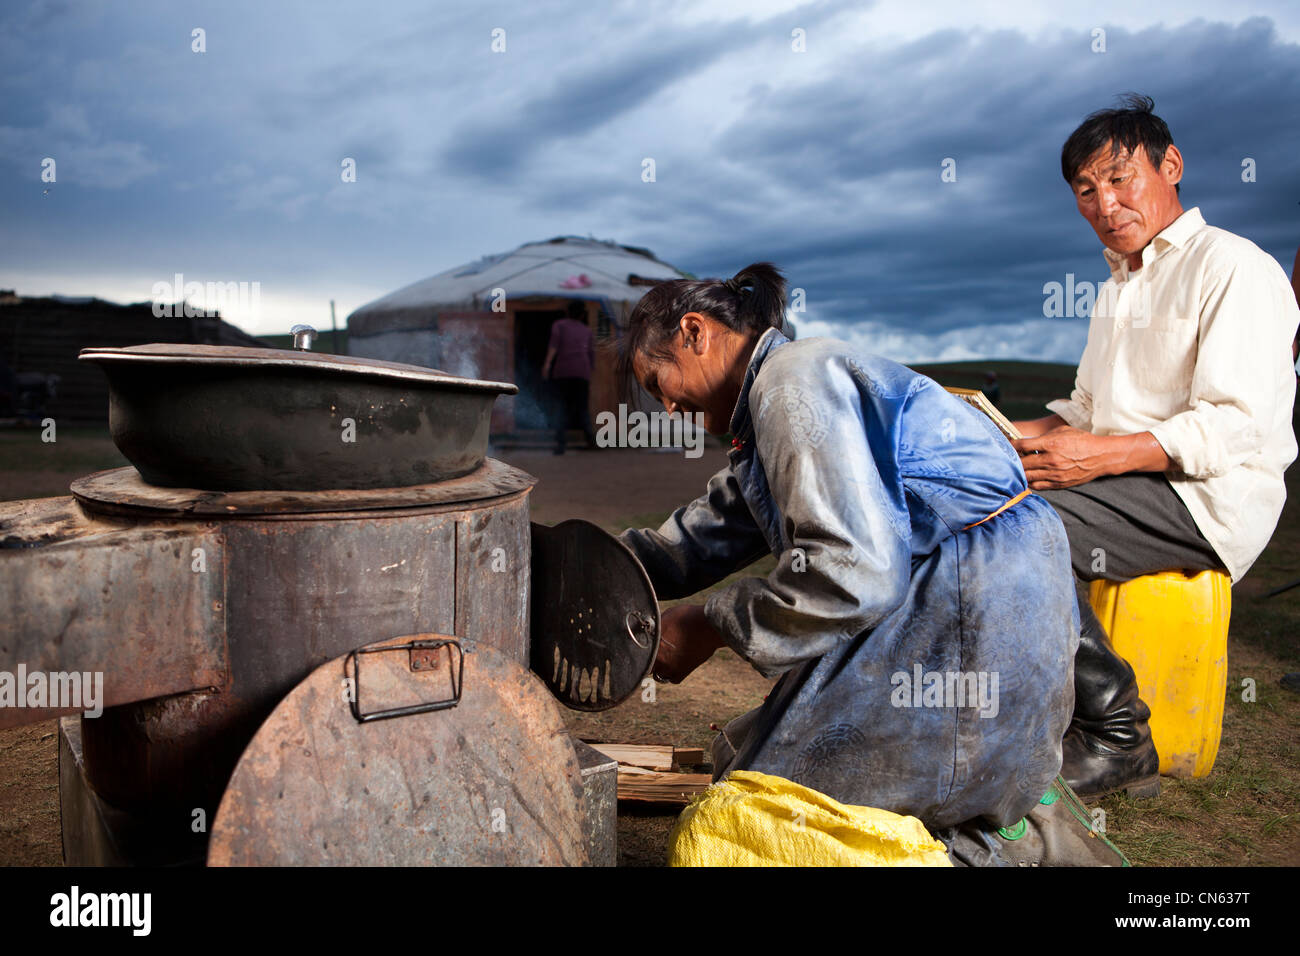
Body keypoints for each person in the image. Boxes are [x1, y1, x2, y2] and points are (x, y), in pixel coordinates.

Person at [615, 262, 1120, 864]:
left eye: (657, 383)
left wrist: (711, 625)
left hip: (973, 610)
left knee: (754, 815)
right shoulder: (774, 403)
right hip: (966, 603)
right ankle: (987, 807)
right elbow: (703, 536)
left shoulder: (792, 383)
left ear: (694, 332)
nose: (667, 408)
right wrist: (601, 568)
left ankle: (994, 841)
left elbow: (856, 573)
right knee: (743, 763)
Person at [1010, 95, 1299, 800]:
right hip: (1124, 483)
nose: (1104, 203)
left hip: (1206, 497)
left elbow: (1236, 425)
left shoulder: (1234, 266)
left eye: (1119, 177)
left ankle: (1117, 734)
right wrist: (994, 433)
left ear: (1170, 166)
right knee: (975, 500)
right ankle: (1018, 717)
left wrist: (1097, 458)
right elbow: (1084, 412)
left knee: (1023, 529)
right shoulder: (1118, 286)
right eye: (1085, 189)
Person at [542, 300, 598, 454]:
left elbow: (553, 346)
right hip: (582, 372)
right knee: (582, 407)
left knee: (562, 407)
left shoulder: (559, 325)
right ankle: (590, 441)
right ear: (582, 314)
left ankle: (561, 445)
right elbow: (591, 354)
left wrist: (547, 365)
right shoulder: (587, 330)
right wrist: (590, 370)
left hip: (563, 371)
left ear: (567, 312)